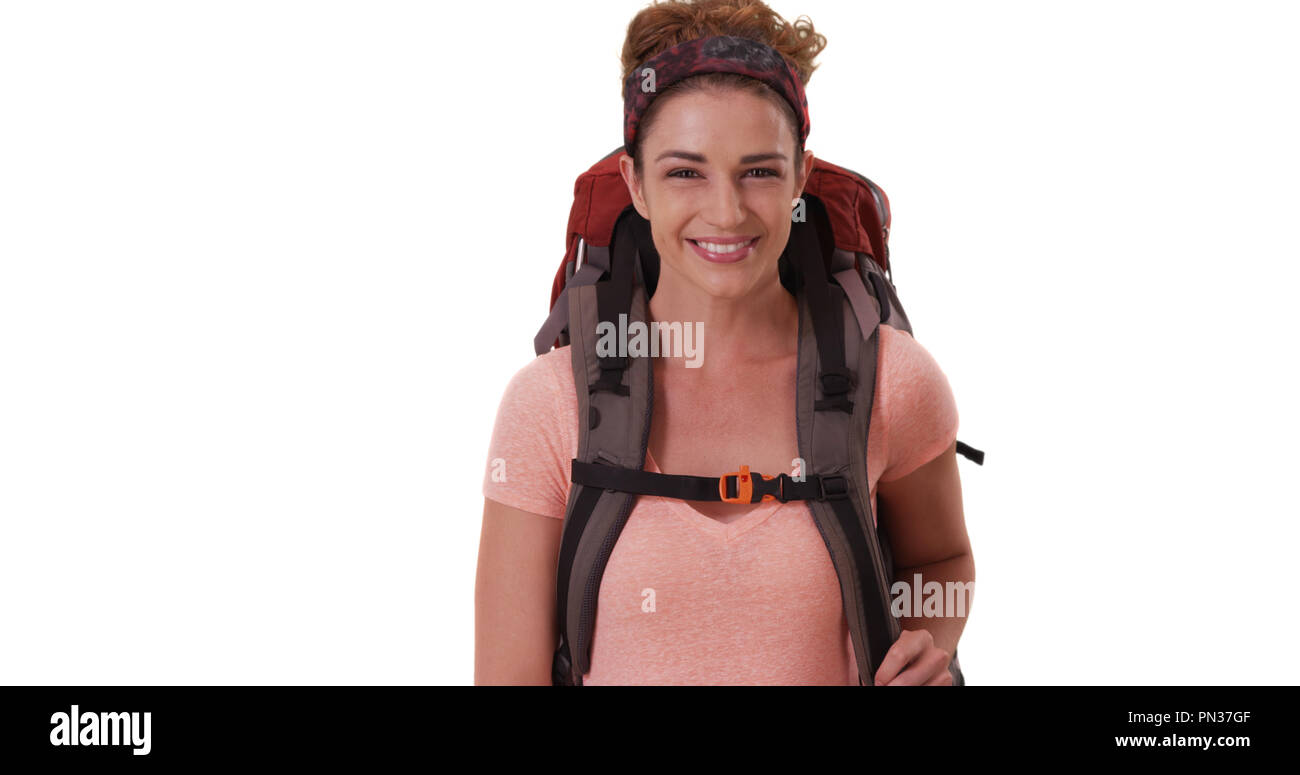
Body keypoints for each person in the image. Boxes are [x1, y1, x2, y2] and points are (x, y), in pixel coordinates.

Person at [476, 0, 974, 685]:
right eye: (686, 171)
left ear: (801, 176)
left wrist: (929, 645)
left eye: (759, 171)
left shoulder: (891, 381)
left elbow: (941, 560)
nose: (726, 212)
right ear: (636, 183)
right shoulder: (549, 404)